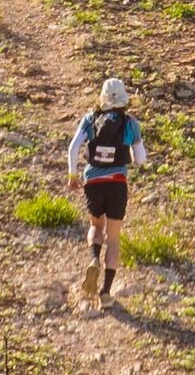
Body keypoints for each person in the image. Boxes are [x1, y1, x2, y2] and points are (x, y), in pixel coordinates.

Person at [66, 77, 146, 311]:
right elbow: (140, 160)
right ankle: (106, 292)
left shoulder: (90, 119)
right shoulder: (130, 124)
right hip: (117, 183)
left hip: (93, 181)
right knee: (114, 238)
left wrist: (72, 176)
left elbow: (73, 148)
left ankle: (93, 258)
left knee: (95, 226)